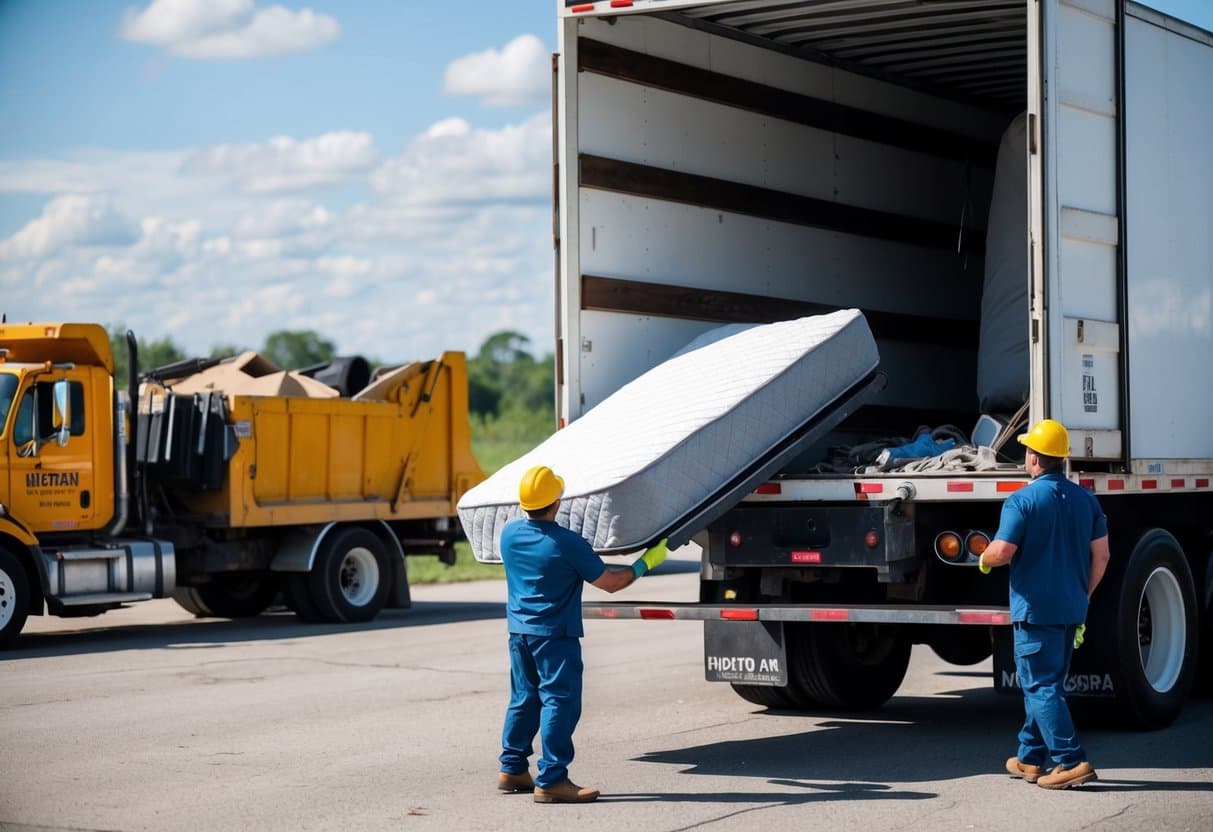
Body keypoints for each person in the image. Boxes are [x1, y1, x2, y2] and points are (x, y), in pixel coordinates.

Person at [495, 464, 667, 804]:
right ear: (556, 502)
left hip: (519, 633)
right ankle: (553, 780)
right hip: (555, 637)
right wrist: (646, 562)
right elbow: (612, 583)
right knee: (560, 701)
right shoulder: (568, 544)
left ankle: (512, 767)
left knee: (524, 698)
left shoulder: (509, 534)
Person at [978, 419, 1111, 790]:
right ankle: (1029, 758)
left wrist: (984, 557)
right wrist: (1084, 595)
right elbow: (1101, 556)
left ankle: (1072, 760)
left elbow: (1003, 551)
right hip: (1071, 609)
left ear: (1035, 458)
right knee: (1047, 684)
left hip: (1035, 611)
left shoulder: (1022, 499)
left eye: (1027, 451)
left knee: (1040, 687)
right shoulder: (1086, 499)